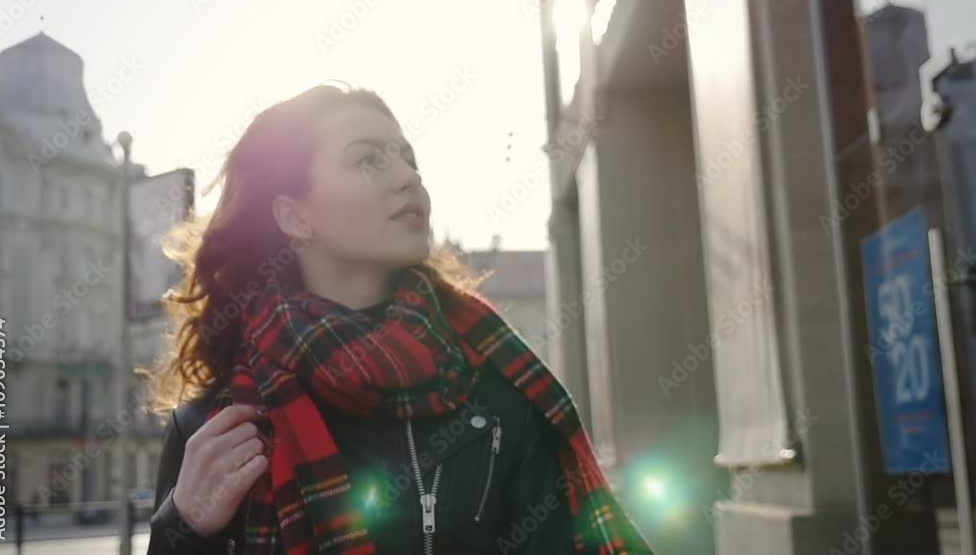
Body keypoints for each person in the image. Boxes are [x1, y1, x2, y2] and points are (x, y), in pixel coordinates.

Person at [144, 84, 653, 555]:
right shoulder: (217, 426)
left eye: (409, 159)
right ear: (296, 216)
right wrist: (183, 526)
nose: (409, 178)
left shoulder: (501, 391)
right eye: (368, 159)